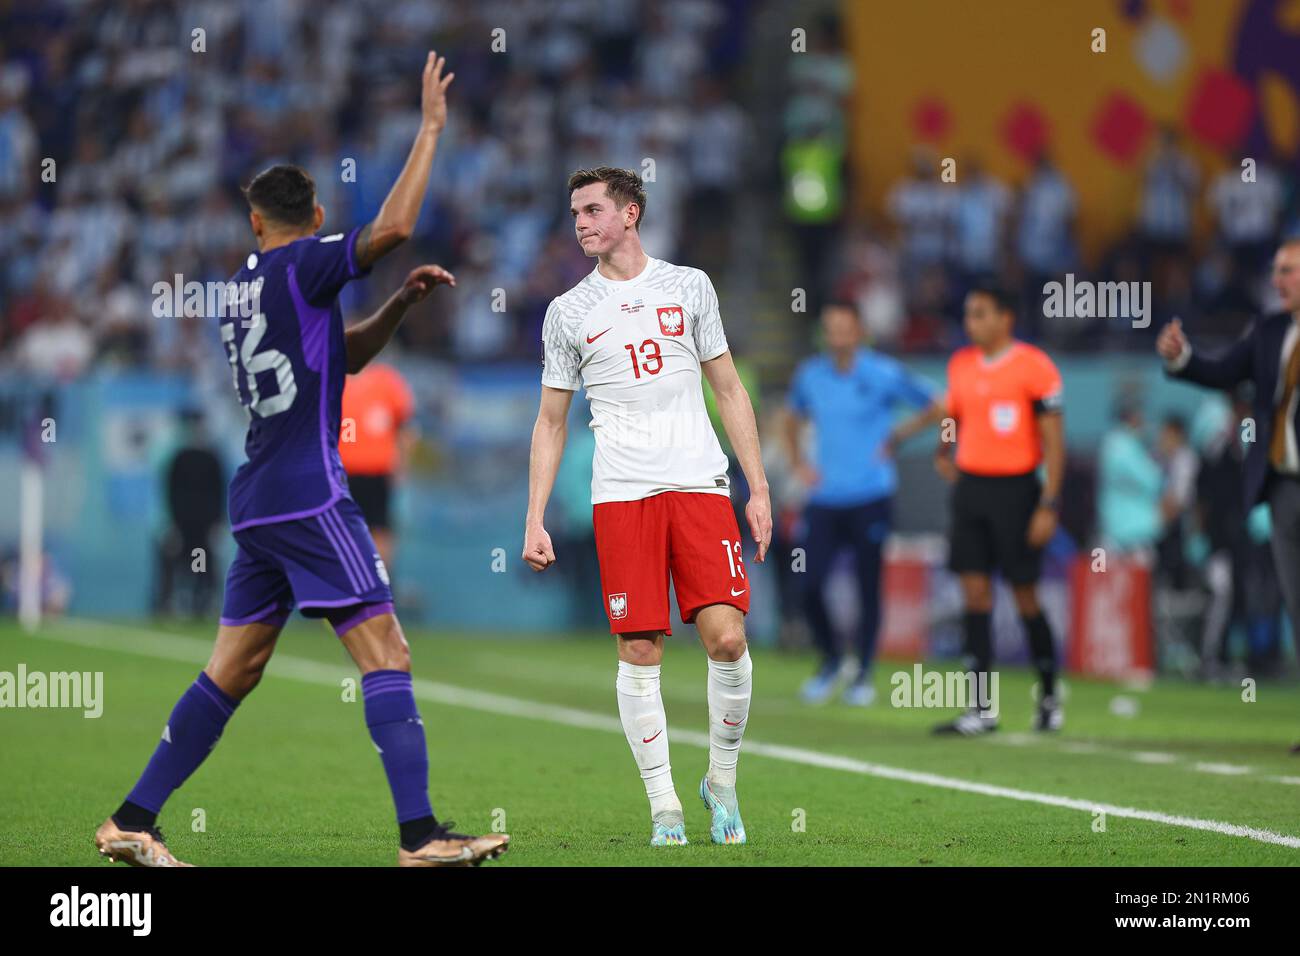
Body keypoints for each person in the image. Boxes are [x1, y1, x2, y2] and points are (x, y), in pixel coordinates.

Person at [96, 54, 510, 867]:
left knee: (234, 668)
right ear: (313, 215)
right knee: (387, 651)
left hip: (257, 498)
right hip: (311, 492)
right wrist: (429, 129)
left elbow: (339, 358)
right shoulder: (306, 264)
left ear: (252, 223)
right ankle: (420, 837)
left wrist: (395, 305)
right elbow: (389, 231)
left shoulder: (243, 287)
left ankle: (131, 820)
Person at [523, 166, 772, 847]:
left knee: (727, 638)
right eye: (575, 212)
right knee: (639, 646)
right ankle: (665, 808)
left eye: (593, 209)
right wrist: (535, 516)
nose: (581, 223)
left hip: (699, 485)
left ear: (630, 213)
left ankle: (720, 782)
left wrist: (759, 486)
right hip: (622, 496)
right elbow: (550, 422)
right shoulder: (567, 312)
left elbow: (728, 390)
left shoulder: (689, 287)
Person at [889, 281, 1066, 735]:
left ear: (1005, 318)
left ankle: (1048, 698)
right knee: (975, 595)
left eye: (981, 313)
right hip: (971, 489)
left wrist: (1049, 501)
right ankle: (980, 708)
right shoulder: (962, 364)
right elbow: (954, 415)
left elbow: (1054, 440)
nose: (972, 322)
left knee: (1025, 594)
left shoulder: (1035, 367)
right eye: (968, 314)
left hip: (1019, 491)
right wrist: (944, 449)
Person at [1157, 239, 1300, 751]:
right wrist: (1184, 357)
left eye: (1288, 271)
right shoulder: (1268, 330)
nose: (1277, 279)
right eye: (1276, 271)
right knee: (1296, 602)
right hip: (1282, 485)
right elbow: (1221, 371)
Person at [783, 300, 939, 705]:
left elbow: (937, 404)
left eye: (843, 327)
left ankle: (864, 672)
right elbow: (790, 416)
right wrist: (799, 463)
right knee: (809, 582)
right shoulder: (810, 375)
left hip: (871, 493)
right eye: (829, 327)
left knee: (868, 587)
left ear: (859, 332)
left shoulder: (883, 372)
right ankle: (832, 659)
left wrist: (898, 437)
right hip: (825, 496)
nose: (836, 335)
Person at [339, 361, 415, 575]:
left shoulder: (385, 379)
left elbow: (405, 427)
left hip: (372, 471)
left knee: (376, 531)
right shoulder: (334, 378)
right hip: (347, 471)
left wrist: (401, 464)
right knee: (363, 531)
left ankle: (373, 587)